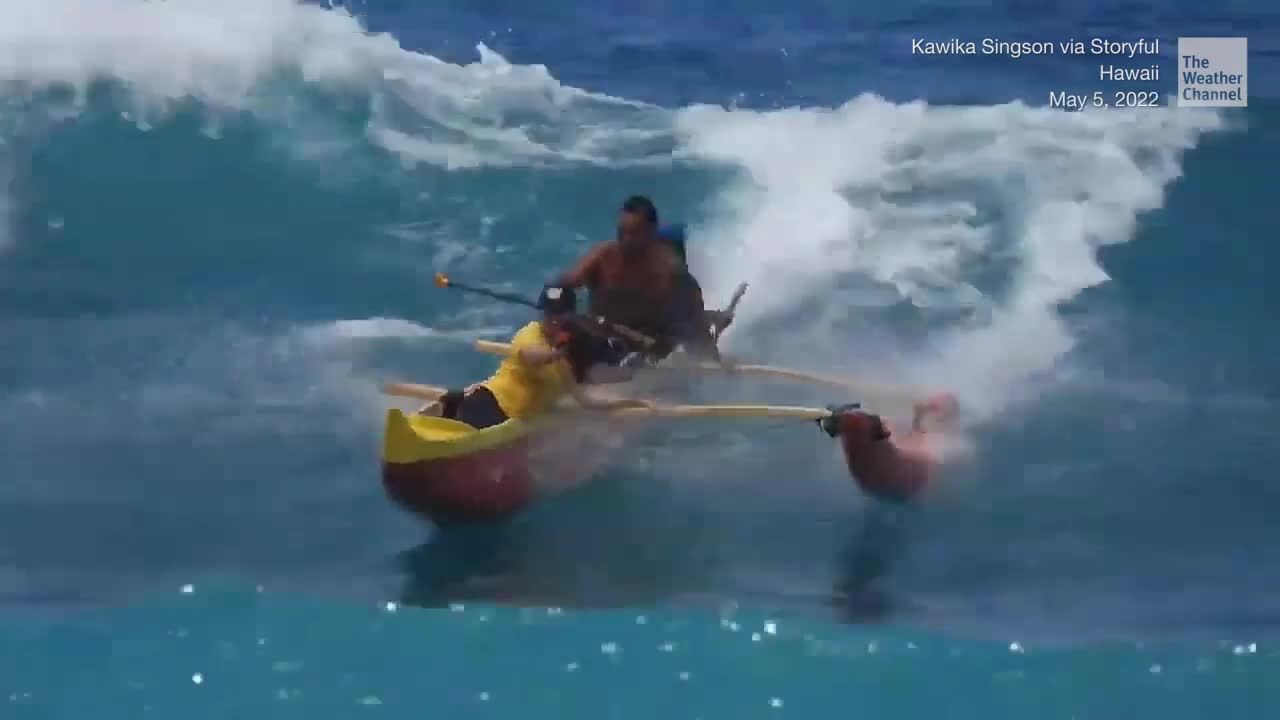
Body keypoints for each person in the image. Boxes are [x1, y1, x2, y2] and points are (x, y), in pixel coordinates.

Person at [424, 285, 651, 430]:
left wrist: (629, 403)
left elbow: (584, 400)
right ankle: (449, 410)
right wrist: (556, 353)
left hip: (508, 418)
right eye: (550, 314)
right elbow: (532, 355)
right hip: (492, 405)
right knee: (457, 424)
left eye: (560, 314)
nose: (554, 320)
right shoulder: (530, 334)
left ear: (569, 317)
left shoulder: (563, 361)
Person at [555, 196, 734, 369]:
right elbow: (561, 288)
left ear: (651, 232)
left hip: (650, 349)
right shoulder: (603, 258)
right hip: (603, 343)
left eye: (633, 234)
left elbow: (694, 323)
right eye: (621, 232)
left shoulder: (669, 271)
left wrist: (712, 362)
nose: (626, 240)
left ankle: (713, 318)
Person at [836, 394, 961, 503]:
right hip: (902, 471)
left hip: (911, 475)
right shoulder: (926, 438)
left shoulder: (943, 444)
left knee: (921, 444)